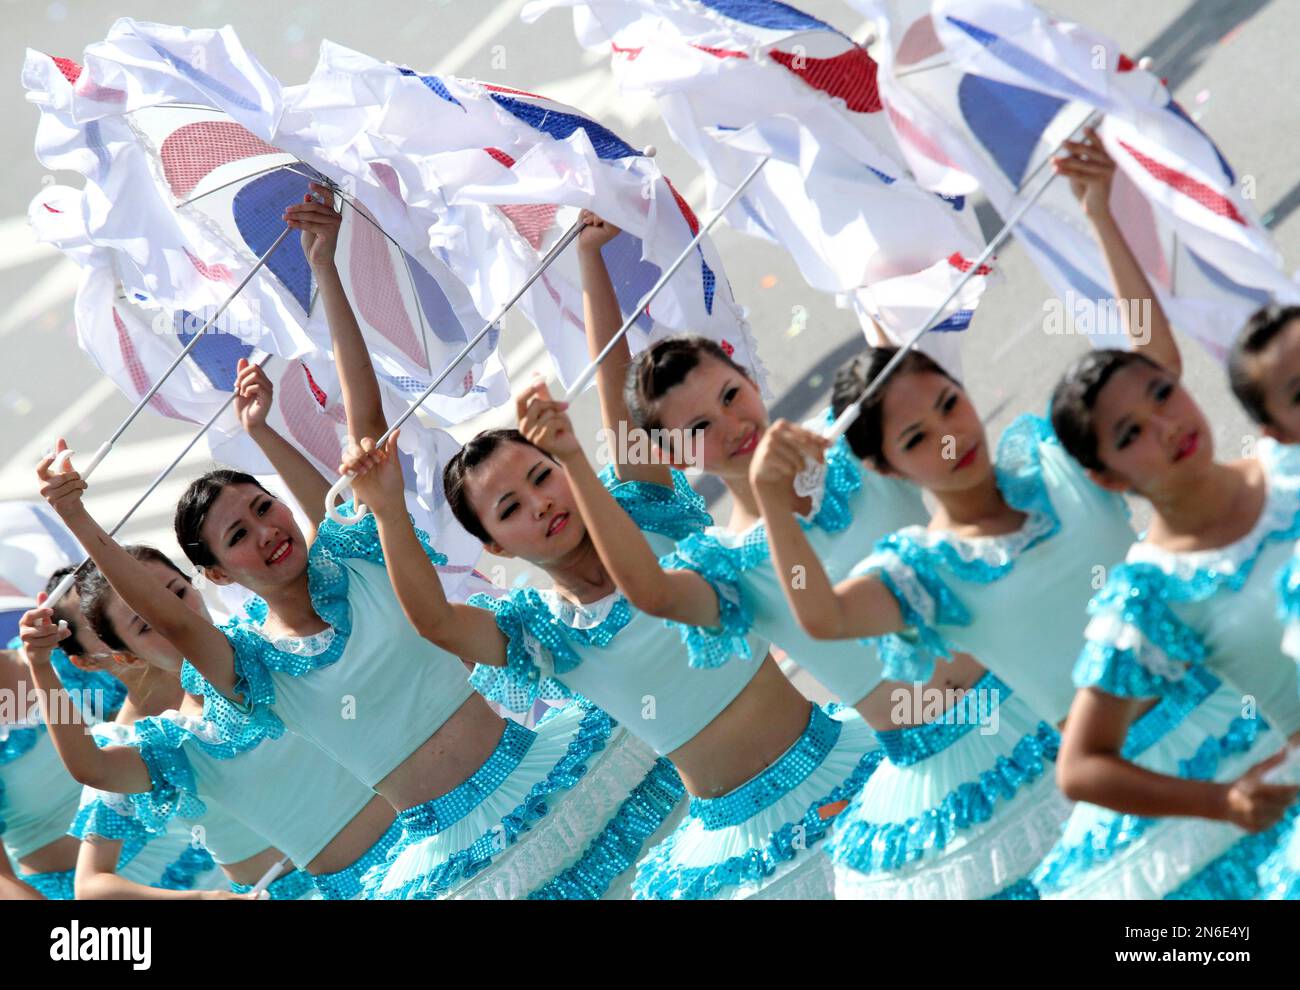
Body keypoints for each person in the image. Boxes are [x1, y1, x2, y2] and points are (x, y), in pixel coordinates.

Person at [35, 187, 677, 900]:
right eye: (239, 536)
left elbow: (363, 424)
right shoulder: (250, 665)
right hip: (457, 863)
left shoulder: (357, 555)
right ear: (215, 574)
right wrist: (76, 516)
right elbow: (170, 615)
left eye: (263, 508)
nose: (267, 531)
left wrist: (325, 268)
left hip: (550, 769)